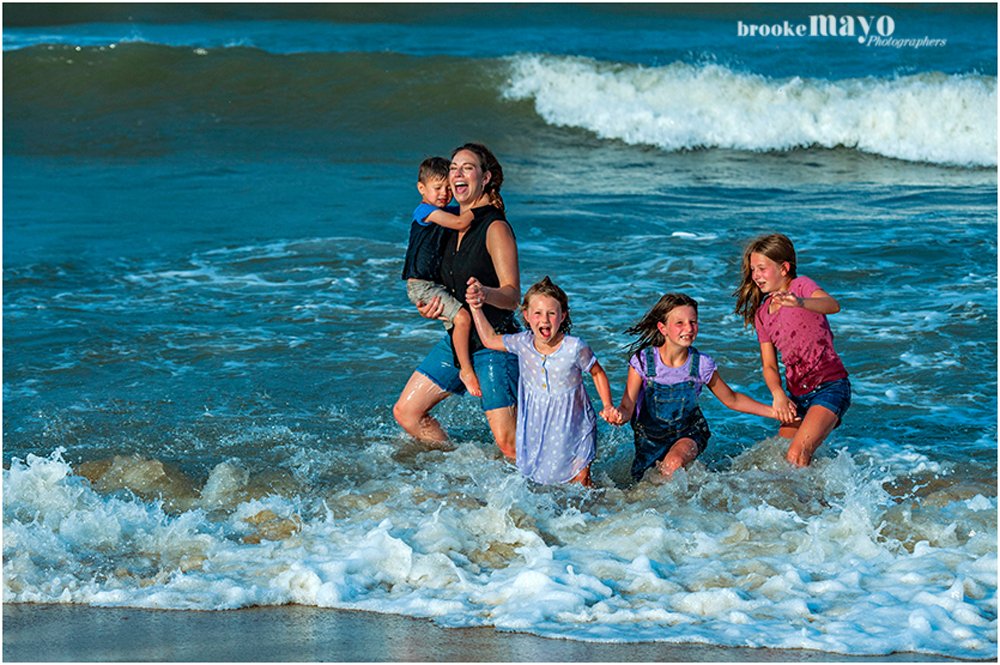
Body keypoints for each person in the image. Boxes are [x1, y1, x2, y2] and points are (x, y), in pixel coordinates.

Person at [393, 143, 521, 459]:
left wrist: (485, 293)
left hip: (494, 345)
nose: (457, 173)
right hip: (458, 340)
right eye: (453, 168)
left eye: (467, 167)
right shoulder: (449, 226)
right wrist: (428, 308)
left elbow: (513, 296)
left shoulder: (494, 227)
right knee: (407, 413)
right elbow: (436, 284)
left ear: (486, 177)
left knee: (509, 445)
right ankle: (457, 473)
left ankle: (547, 505)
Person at [469, 275, 618, 486]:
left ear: (563, 316)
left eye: (551, 313)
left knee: (581, 478)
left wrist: (608, 405)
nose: (545, 320)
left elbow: (597, 372)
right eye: (537, 313)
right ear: (526, 316)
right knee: (546, 479)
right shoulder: (522, 343)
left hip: (575, 422)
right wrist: (476, 308)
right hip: (539, 423)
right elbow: (489, 339)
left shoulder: (574, 347)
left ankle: (598, 514)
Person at [612, 293, 777, 482]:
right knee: (647, 485)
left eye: (693, 322)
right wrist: (618, 416)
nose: (689, 328)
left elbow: (731, 399)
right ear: (662, 328)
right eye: (680, 323)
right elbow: (627, 406)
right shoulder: (643, 361)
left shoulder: (701, 364)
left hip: (689, 432)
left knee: (673, 463)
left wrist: (773, 412)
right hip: (649, 440)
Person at [733, 233, 851, 467]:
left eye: (762, 268)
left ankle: (810, 504)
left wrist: (800, 302)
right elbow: (769, 365)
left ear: (784, 268)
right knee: (777, 460)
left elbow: (832, 305)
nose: (756, 275)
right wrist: (778, 395)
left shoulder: (801, 286)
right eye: (753, 269)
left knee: (796, 456)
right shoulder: (762, 314)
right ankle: (812, 498)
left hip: (830, 387)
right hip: (796, 397)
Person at [402, 157, 480, 396]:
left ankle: (461, 367)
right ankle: (466, 370)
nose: (445, 193)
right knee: (463, 320)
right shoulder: (425, 211)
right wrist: (483, 207)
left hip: (433, 285)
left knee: (458, 327)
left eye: (449, 187)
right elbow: (460, 221)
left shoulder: (444, 209)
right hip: (422, 286)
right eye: (438, 188)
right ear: (421, 189)